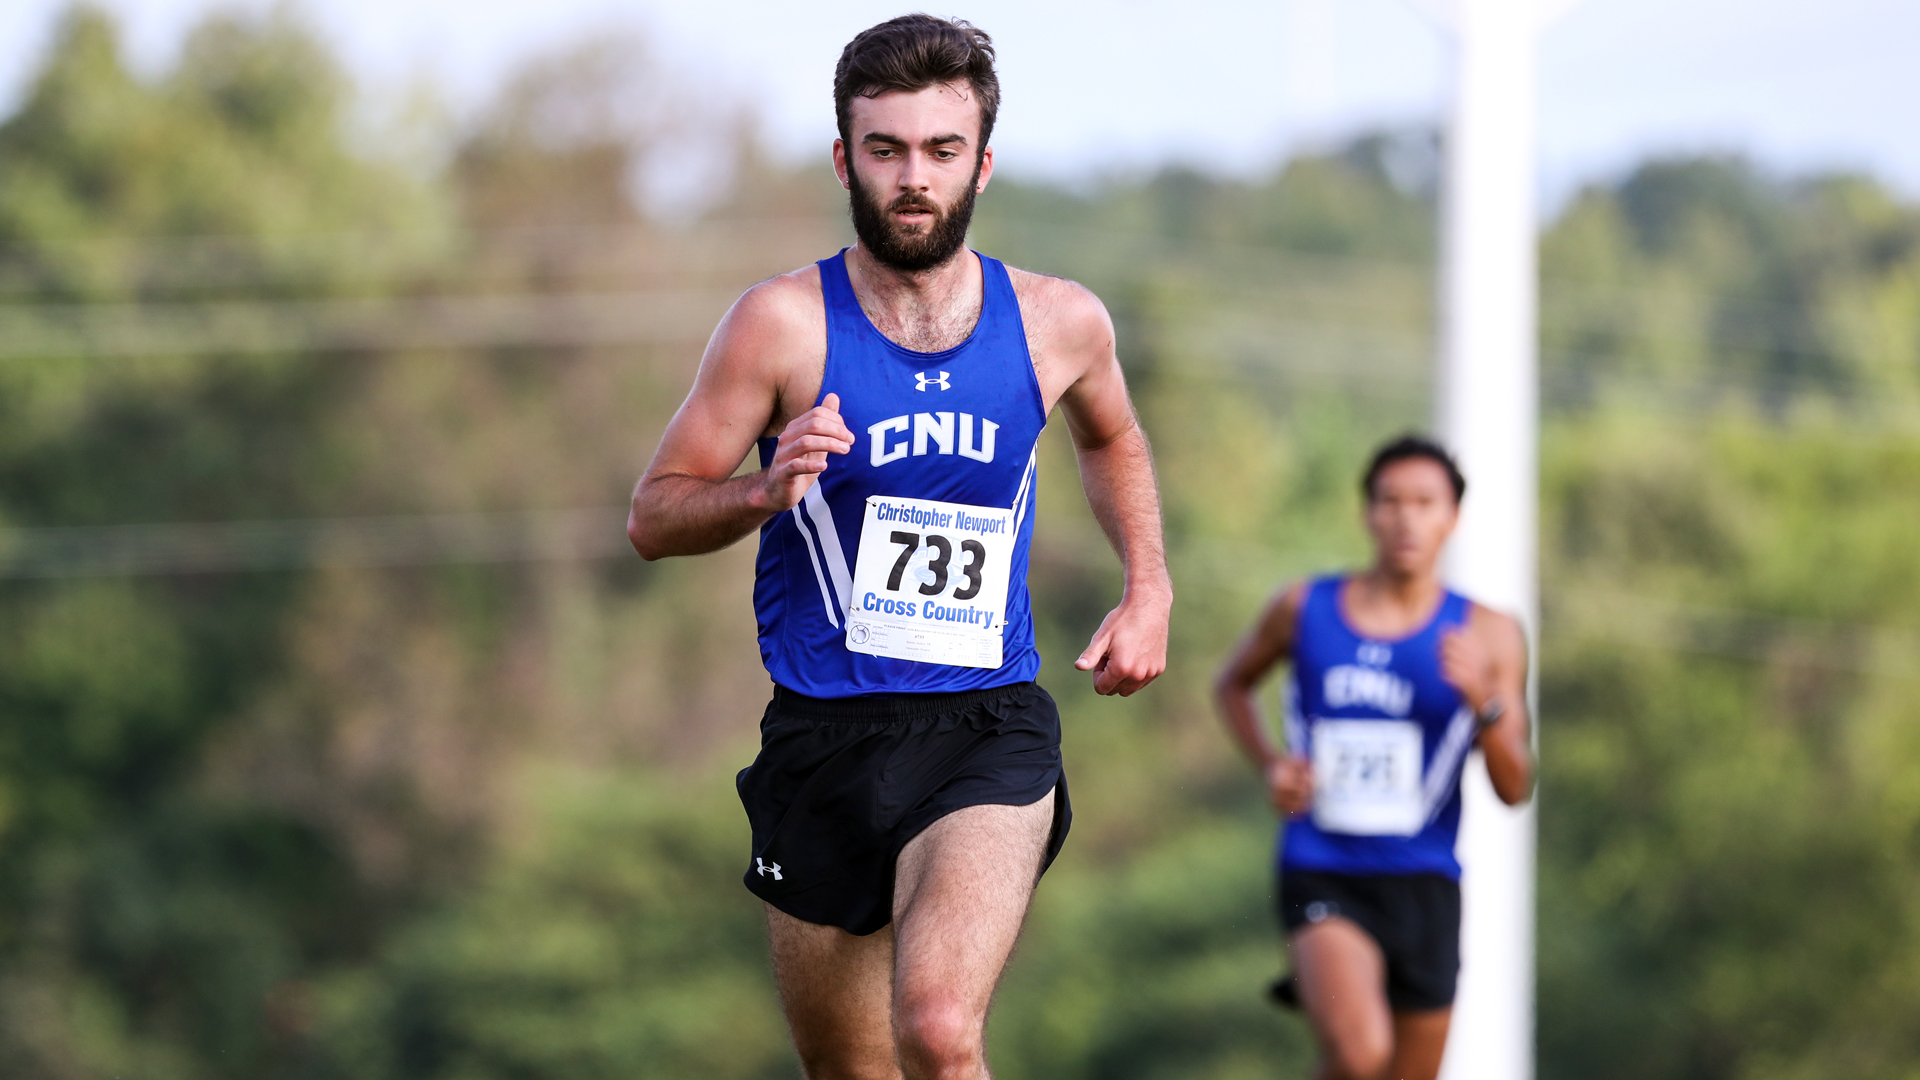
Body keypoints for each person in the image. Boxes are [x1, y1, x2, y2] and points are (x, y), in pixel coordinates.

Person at [626, 15, 1170, 1080]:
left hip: (985, 725)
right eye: (885, 150)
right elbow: (652, 515)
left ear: (983, 161)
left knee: (937, 1028)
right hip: (823, 738)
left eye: (939, 150)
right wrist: (763, 489)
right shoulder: (780, 325)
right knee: (854, 1071)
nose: (911, 178)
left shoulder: (1058, 321)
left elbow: (1113, 433)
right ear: (845, 159)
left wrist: (1147, 586)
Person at [1212, 435, 1534, 1080]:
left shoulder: (1489, 633)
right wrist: (1273, 764)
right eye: (1390, 501)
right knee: (1360, 1056)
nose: (1406, 518)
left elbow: (1515, 784)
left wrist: (1484, 704)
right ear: (1367, 514)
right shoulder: (1305, 608)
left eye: (1424, 502)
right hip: (1323, 866)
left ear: (1452, 518)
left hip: (1426, 881)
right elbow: (1233, 685)